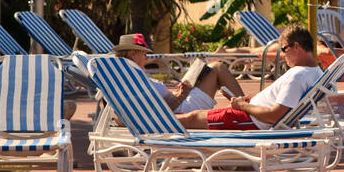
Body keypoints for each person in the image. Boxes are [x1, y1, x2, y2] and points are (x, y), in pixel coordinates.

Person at [177, 25, 325, 130]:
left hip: (248, 121)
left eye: (284, 49)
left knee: (192, 119)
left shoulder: (297, 76)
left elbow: (274, 116)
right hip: (248, 115)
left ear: (297, 47)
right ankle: (159, 122)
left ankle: (156, 123)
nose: (283, 55)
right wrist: (247, 104)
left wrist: (242, 106)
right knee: (194, 115)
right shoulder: (315, 72)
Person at [112, 33, 239, 114]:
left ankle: (244, 107)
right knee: (217, 67)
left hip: (180, 103)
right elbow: (161, 111)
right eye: (143, 53)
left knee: (210, 68)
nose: (146, 56)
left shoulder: (132, 76)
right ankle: (247, 109)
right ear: (132, 54)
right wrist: (182, 94)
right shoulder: (136, 79)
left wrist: (178, 93)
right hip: (181, 110)